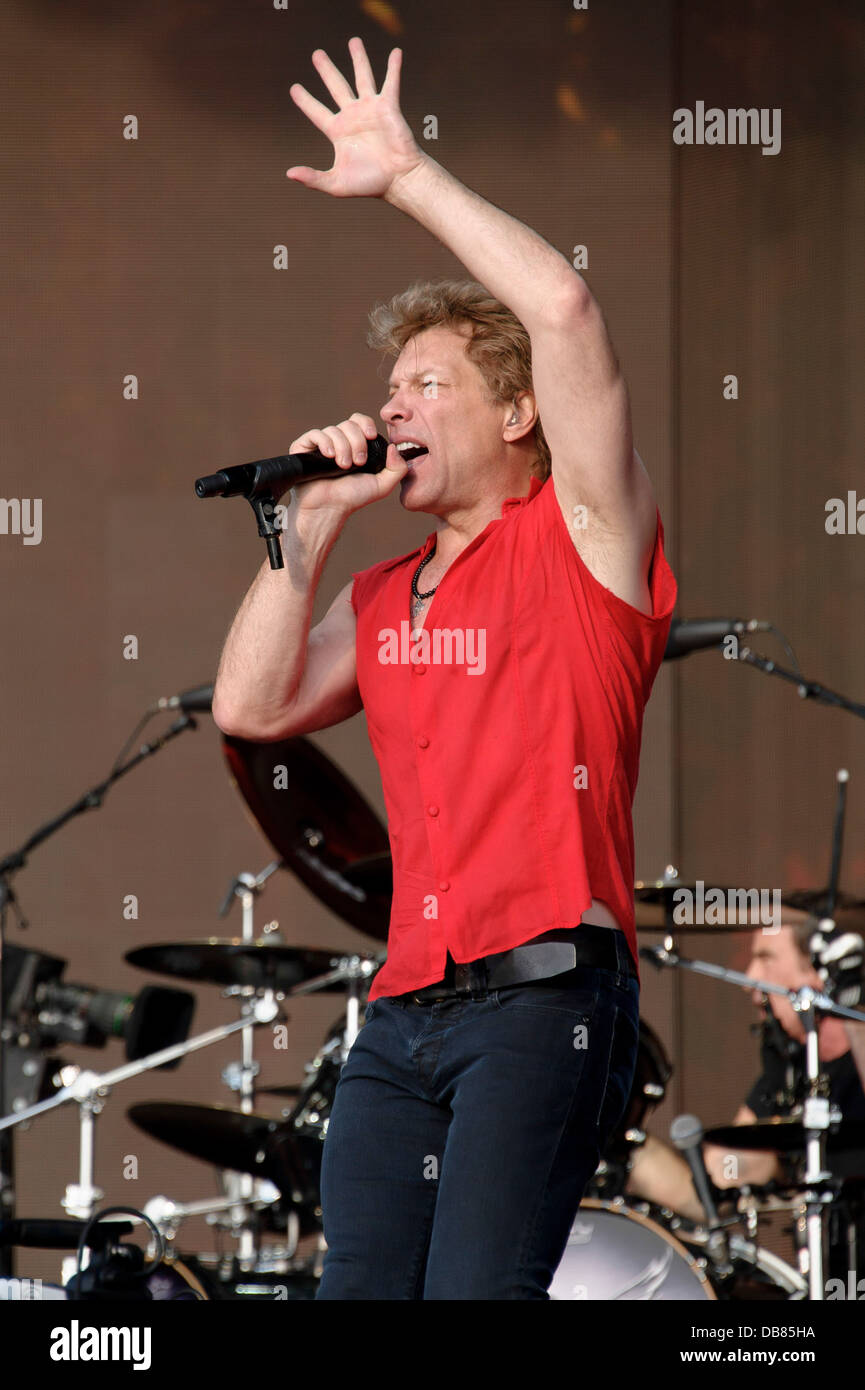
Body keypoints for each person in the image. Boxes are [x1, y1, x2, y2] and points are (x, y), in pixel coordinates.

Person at [212, 37, 675, 1299]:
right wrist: (299, 539)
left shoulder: (582, 542)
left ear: (517, 414)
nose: (394, 408)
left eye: (429, 384)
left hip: (543, 1001)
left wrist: (409, 176)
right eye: (387, 387)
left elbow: (565, 312)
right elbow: (250, 708)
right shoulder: (381, 589)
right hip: (403, 1015)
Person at [626, 908, 865, 1231]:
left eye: (765, 958)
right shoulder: (788, 1065)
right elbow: (721, 1182)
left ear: (820, 970)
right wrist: (626, 1147)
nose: (750, 976)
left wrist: (853, 1003)